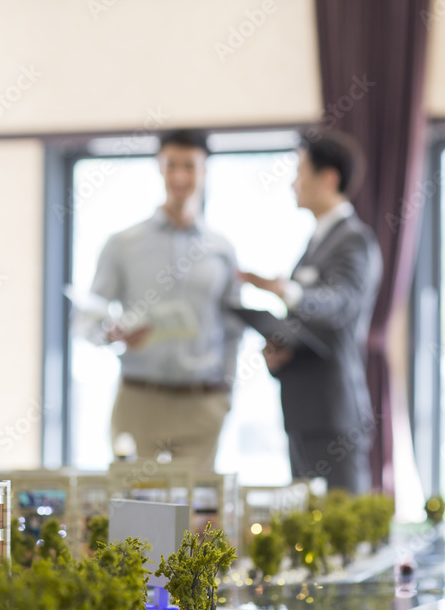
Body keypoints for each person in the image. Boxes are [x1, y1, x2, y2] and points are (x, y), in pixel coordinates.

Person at [85, 129, 243, 473]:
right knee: (133, 502)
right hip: (139, 399)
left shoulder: (222, 250)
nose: (180, 177)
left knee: (197, 506)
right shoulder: (122, 244)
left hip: (203, 403)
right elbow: (87, 317)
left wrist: (227, 392)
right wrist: (109, 332)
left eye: (189, 166)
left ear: (205, 170)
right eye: (171, 165)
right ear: (159, 168)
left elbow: (233, 328)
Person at [241, 130, 382, 494]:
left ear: (328, 178)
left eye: (300, 172)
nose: (293, 184)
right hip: (304, 411)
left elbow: (339, 302)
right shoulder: (316, 241)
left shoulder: (354, 240)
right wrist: (281, 350)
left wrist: (284, 290)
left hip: (334, 413)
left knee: (341, 522)